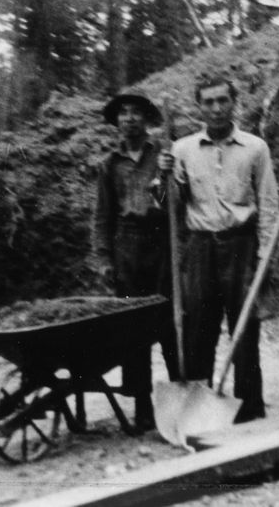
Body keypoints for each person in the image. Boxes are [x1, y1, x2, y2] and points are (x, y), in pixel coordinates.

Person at [158, 75, 279, 423]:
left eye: (222, 100)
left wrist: (265, 255)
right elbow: (167, 205)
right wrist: (162, 178)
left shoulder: (255, 148)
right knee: (199, 326)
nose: (215, 108)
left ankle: (248, 403)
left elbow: (269, 203)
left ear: (234, 103)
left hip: (241, 243)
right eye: (208, 102)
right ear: (199, 107)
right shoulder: (181, 150)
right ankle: (200, 400)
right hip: (200, 247)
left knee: (244, 325)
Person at [92, 90, 176, 431]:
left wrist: (171, 175)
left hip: (162, 243)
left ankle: (180, 401)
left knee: (170, 326)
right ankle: (143, 406)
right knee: (135, 331)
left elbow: (179, 202)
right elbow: (102, 217)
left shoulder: (164, 155)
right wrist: (103, 259)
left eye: (136, 112)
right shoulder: (109, 165)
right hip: (127, 247)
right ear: (116, 122)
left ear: (146, 119)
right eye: (123, 113)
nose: (129, 118)